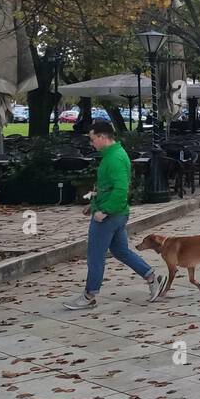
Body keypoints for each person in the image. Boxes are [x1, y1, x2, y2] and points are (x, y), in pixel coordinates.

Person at [65, 120, 164, 309]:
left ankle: (89, 295)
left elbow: (120, 189)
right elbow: (107, 187)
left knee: (95, 256)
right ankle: (151, 277)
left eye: (93, 139)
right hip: (116, 213)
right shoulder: (113, 155)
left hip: (110, 215)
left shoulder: (115, 158)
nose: (91, 143)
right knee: (120, 251)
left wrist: (104, 210)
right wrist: (93, 204)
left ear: (102, 137)